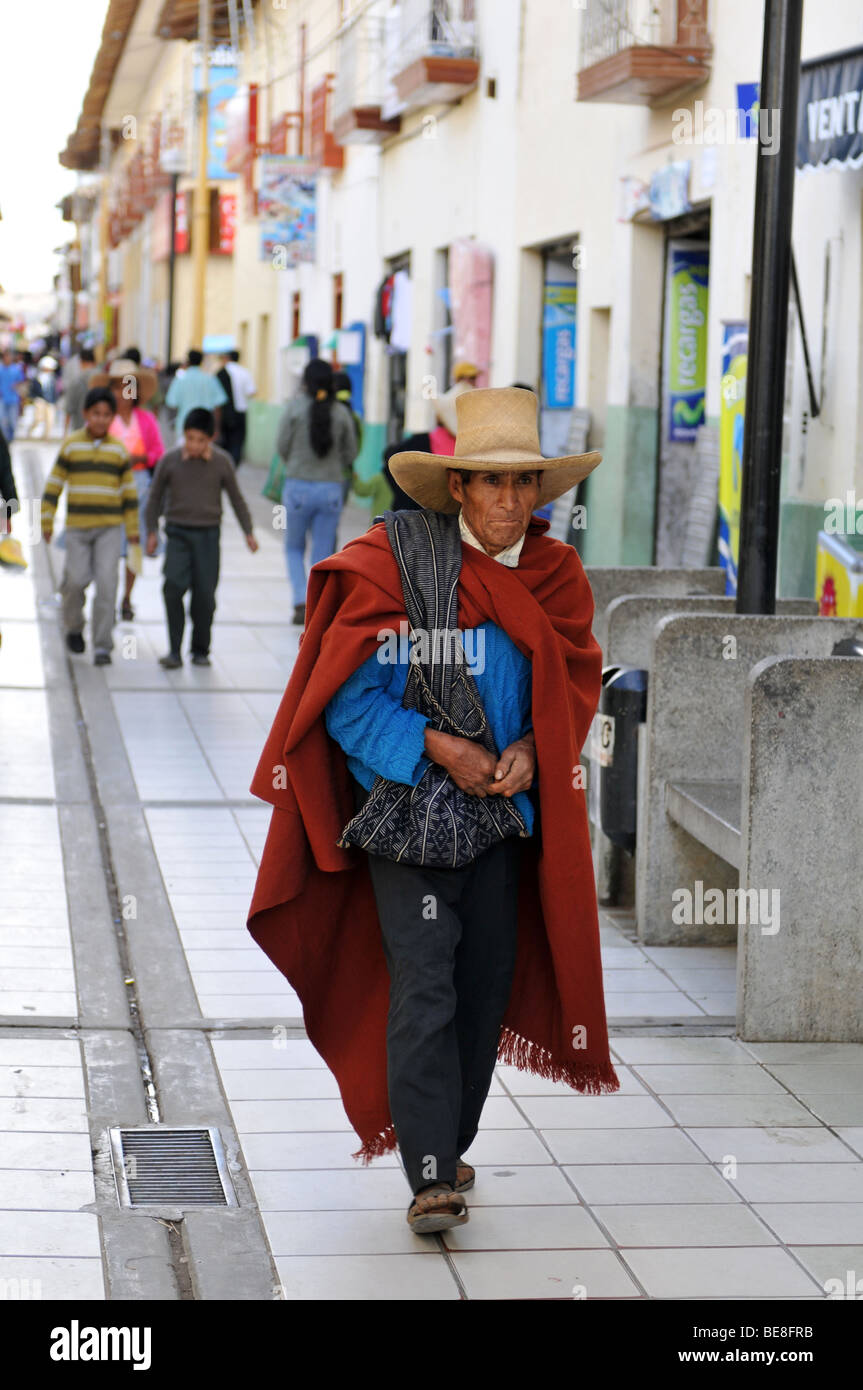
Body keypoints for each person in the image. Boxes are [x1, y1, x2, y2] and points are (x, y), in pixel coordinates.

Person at [245, 386, 619, 1235]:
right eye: (490, 484)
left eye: (524, 484)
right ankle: (427, 1177)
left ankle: (448, 1146)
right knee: (424, 985)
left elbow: (566, 692)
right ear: (456, 488)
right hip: (406, 818)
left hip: (497, 821)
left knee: (482, 988)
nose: (508, 501)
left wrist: (528, 751)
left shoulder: (557, 578)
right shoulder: (393, 565)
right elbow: (344, 701)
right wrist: (438, 747)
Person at [145, 406, 258, 669]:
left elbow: (236, 499)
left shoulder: (222, 462)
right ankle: (174, 650)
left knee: (205, 596)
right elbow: (154, 498)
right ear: (184, 435)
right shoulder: (169, 460)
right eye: (190, 438)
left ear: (211, 438)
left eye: (201, 440)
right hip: (177, 534)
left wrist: (248, 531)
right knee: (172, 586)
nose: (194, 445)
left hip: (208, 536)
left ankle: (200, 649)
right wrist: (151, 530)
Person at [41, 387, 138, 666]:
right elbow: (54, 484)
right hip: (78, 529)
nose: (101, 420)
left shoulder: (118, 451)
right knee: (75, 581)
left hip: (109, 529)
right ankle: (73, 626)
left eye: (107, 415)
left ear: (112, 418)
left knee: (108, 585)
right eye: (96, 414)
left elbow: (129, 493)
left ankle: (102, 645)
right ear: (85, 414)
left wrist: (133, 531)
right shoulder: (72, 445)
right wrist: (46, 519)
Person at [275, 358, 357, 626]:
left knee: (293, 547)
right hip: (331, 489)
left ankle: (300, 600)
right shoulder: (341, 413)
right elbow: (350, 454)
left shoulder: (294, 409)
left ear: (306, 382)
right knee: (323, 551)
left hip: (297, 487)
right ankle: (317, 605)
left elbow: (282, 446)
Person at [90, 357, 165, 621]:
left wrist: (141, 458)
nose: (122, 393)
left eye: (127, 386)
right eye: (117, 387)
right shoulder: (103, 420)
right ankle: (107, 596)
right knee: (107, 545)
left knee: (134, 543)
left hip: (139, 488)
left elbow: (158, 451)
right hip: (108, 488)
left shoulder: (145, 420)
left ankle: (127, 598)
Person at [164, 349, 227, 443]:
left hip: (184, 427)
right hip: (205, 427)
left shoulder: (180, 380)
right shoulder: (210, 379)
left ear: (188, 361)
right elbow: (218, 406)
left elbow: (172, 403)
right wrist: (216, 428)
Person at [217, 350, 256, 466]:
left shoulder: (222, 372)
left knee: (225, 441)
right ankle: (233, 465)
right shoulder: (244, 372)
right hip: (240, 411)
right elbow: (252, 392)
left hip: (225, 412)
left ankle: (224, 464)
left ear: (227, 358)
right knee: (237, 442)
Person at [63, 347, 98, 431]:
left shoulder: (76, 381)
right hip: (102, 429)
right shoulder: (104, 378)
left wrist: (65, 433)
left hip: (80, 429)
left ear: (81, 362)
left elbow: (69, 409)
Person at [0, 349, 24, 441]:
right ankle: (5, 440)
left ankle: (11, 438)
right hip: (2, 399)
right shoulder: (0, 370)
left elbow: (21, 383)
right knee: (2, 421)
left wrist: (17, 386)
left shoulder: (16, 370)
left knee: (12, 421)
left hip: (13, 399)